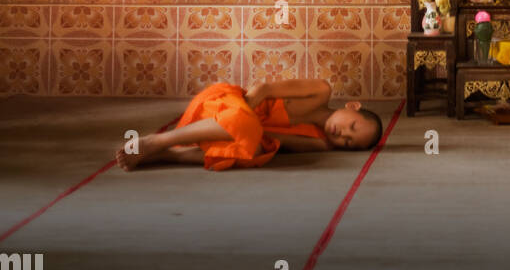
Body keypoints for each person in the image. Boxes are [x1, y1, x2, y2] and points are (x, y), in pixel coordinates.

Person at [115, 78, 383, 171]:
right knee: (245, 125)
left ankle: (168, 156)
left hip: (235, 133)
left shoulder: (318, 141)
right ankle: (158, 141)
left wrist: (246, 133)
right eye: (353, 127)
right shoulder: (321, 91)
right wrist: (242, 120)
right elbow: (262, 89)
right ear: (353, 106)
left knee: (253, 151)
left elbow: (272, 138)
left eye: (348, 142)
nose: (343, 134)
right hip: (225, 105)